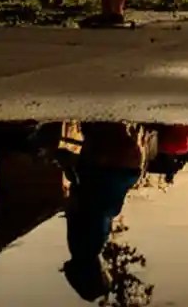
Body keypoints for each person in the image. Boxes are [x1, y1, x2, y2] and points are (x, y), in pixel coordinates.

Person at [62, 122, 145, 300]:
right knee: (96, 121)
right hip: (107, 163)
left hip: (129, 165)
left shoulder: (93, 246)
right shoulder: (83, 247)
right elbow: (83, 201)